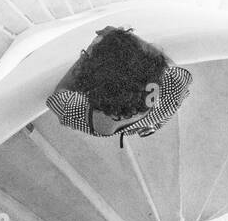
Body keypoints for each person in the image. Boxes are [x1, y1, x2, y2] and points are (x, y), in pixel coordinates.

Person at [46, 26, 192, 146]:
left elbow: (59, 94)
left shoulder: (84, 116)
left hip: (127, 119)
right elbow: (164, 62)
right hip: (157, 111)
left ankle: (147, 125)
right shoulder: (175, 84)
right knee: (154, 117)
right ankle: (147, 125)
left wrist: (88, 54)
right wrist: (124, 40)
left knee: (149, 119)